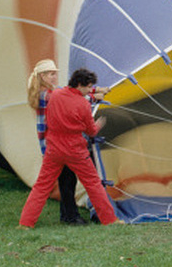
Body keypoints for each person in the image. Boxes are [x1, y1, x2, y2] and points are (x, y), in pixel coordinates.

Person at [19, 68, 119, 227]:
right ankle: (110, 220)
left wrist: (93, 92)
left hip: (53, 150)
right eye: (87, 87)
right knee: (93, 184)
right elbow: (91, 131)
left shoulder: (56, 95)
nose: (88, 90)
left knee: (41, 187)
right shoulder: (83, 104)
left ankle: (25, 223)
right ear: (80, 85)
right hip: (76, 151)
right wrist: (98, 124)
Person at [27, 59, 84, 225]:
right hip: (57, 145)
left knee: (65, 179)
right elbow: (70, 100)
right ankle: (70, 216)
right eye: (51, 74)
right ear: (43, 76)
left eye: (55, 74)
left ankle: (67, 214)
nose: (54, 77)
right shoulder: (48, 95)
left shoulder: (42, 93)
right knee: (67, 180)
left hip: (49, 144)